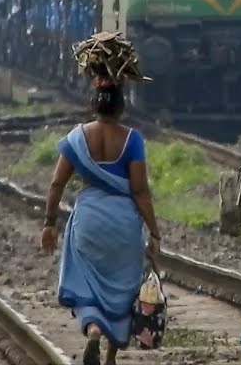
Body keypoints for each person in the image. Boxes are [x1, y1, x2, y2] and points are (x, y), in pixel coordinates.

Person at [39, 32, 161, 365]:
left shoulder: (76, 138)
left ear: (93, 102)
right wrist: (155, 232)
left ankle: (92, 329)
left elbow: (56, 184)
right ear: (122, 106)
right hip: (122, 224)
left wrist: (50, 223)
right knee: (123, 290)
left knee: (88, 285)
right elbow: (139, 191)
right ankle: (109, 358)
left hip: (89, 220)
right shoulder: (132, 140)